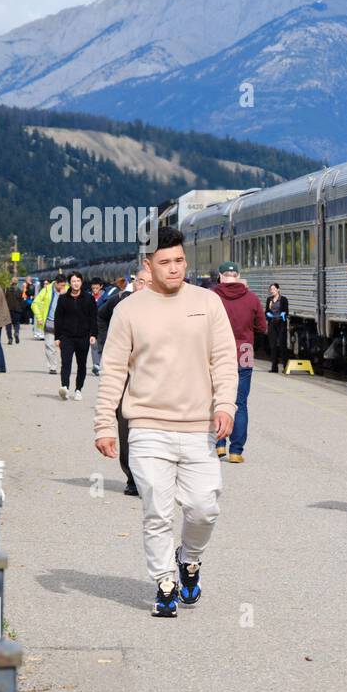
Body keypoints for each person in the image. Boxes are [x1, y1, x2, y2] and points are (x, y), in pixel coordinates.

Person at [93, 228, 238, 618]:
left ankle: (189, 560)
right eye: (165, 263)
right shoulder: (129, 310)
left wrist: (226, 405)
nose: (174, 269)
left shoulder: (207, 303)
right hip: (146, 427)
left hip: (199, 428)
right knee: (157, 509)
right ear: (148, 265)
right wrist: (104, 424)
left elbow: (224, 360)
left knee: (204, 508)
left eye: (179, 261)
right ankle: (164, 583)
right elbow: (113, 372)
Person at [212, 261, 266, 463]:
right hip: (244, 352)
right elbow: (262, 327)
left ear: (220, 276)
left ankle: (218, 445)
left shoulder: (212, 296)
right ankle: (236, 451)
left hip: (217, 353)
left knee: (217, 400)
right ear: (239, 275)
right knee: (240, 403)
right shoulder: (251, 298)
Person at [106, 270, 151, 497]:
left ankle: (151, 476)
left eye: (149, 282)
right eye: (141, 282)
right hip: (126, 376)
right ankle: (132, 477)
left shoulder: (168, 309)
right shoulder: (122, 306)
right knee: (125, 426)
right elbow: (101, 319)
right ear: (135, 284)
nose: (144, 286)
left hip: (154, 378)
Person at [53, 272, 97, 400]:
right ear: (69, 283)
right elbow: (58, 319)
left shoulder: (89, 298)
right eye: (73, 281)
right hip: (67, 337)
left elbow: (93, 318)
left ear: (81, 282)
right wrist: (57, 337)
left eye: (78, 281)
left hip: (83, 337)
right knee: (66, 363)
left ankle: (78, 389)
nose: (76, 283)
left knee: (81, 364)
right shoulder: (63, 299)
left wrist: (93, 334)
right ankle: (65, 388)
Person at [265, 283, 289, 372]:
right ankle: (274, 367)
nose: (272, 291)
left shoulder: (283, 299)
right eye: (271, 289)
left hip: (281, 324)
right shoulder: (269, 299)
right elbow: (267, 311)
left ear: (278, 289)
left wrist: (283, 315)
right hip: (272, 324)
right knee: (273, 345)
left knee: (283, 345)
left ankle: (286, 367)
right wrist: (268, 315)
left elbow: (286, 311)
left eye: (274, 289)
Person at [4, 277, 25, 345]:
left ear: (11, 282)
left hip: (8, 309)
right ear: (17, 283)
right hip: (17, 310)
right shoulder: (19, 290)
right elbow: (21, 301)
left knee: (8, 324)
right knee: (16, 323)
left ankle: (10, 338)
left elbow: (5, 299)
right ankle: (16, 332)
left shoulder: (7, 290)